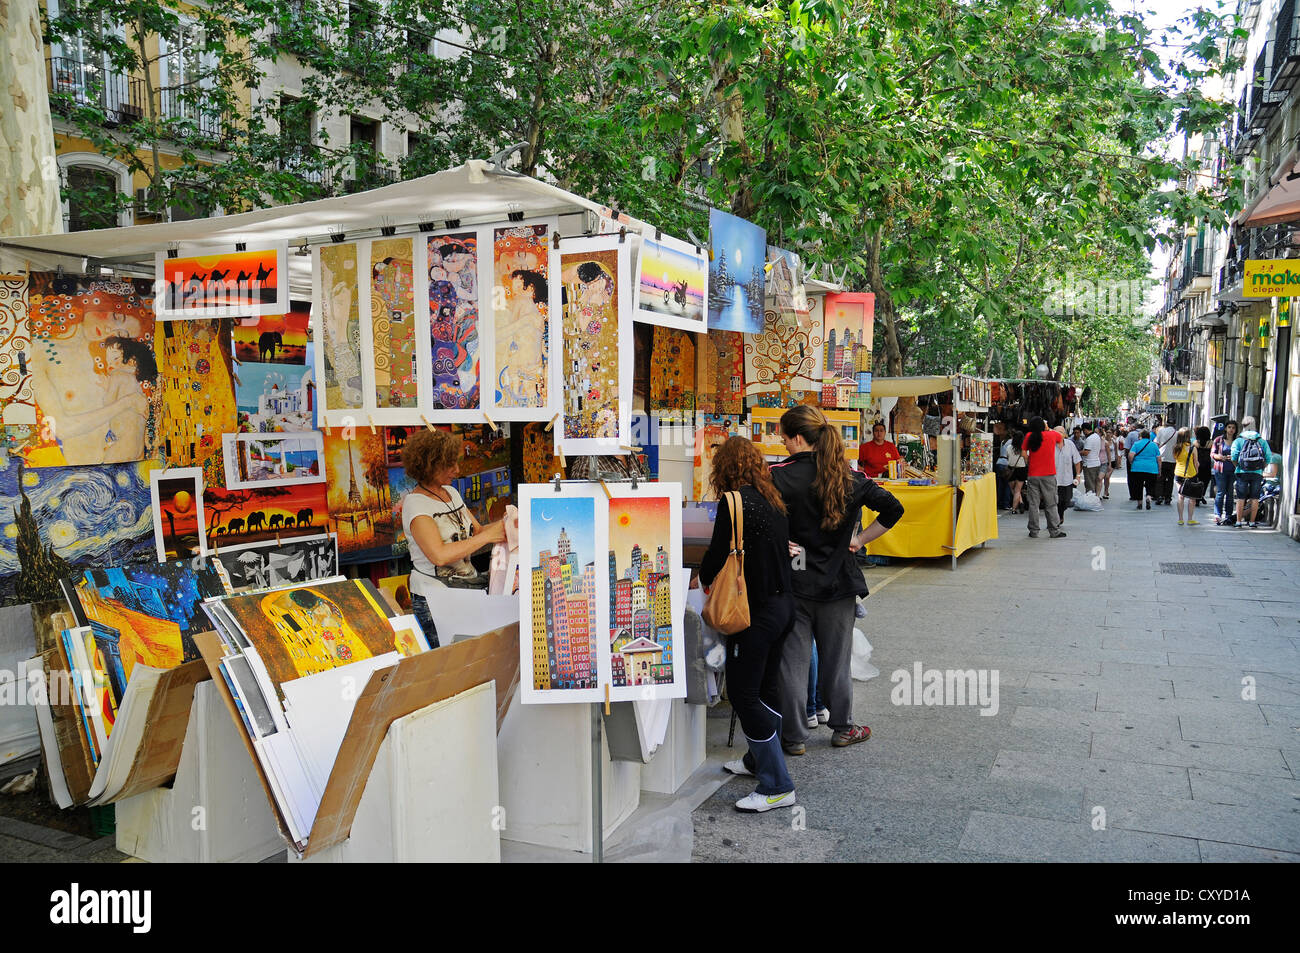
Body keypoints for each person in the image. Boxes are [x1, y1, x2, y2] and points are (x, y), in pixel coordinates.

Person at [771, 405, 903, 754]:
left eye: (784, 438)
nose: (782, 444)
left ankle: (793, 736)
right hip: (837, 581)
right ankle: (843, 728)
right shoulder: (849, 478)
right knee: (836, 661)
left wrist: (775, 540)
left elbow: (752, 512)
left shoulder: (777, 476)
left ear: (798, 438)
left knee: (793, 663)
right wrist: (860, 540)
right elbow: (894, 508)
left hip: (795, 578)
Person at [699, 437, 798, 813]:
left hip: (753, 612)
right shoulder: (772, 498)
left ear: (724, 467)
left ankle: (777, 784)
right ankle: (757, 762)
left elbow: (716, 554)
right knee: (765, 689)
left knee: (742, 694)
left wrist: (701, 579)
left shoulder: (733, 502)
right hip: (782, 606)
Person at [400, 428, 508, 645]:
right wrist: (489, 537)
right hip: (436, 599)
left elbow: (476, 532)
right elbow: (438, 556)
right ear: (431, 465)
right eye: (450, 465)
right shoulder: (415, 504)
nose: (457, 470)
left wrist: (508, 525)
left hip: (465, 592)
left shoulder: (452, 493)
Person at [1020, 417, 1066, 538]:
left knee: (1033, 504)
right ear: (1043, 426)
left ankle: (1034, 531)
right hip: (1048, 474)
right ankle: (1054, 530)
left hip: (1033, 474)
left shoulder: (1029, 436)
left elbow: (1023, 452)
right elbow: (1061, 437)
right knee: (1050, 503)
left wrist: (1029, 461)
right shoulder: (1051, 435)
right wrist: (1048, 428)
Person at [1231, 416, 1269, 528]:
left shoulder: (1238, 440)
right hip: (1257, 472)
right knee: (1255, 498)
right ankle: (1252, 522)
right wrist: (1261, 467)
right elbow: (1268, 457)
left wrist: (1238, 466)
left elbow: (1233, 457)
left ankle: (1238, 521)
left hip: (1242, 472)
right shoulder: (1261, 441)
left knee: (1240, 497)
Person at [1211, 419, 1238, 526]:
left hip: (1233, 470)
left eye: (1233, 428)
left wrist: (1234, 457)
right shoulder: (1218, 440)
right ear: (1226, 428)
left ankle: (1228, 515)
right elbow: (1212, 454)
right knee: (1220, 492)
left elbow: (1241, 454)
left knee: (1230, 493)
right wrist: (1220, 457)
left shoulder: (1237, 441)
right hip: (1220, 469)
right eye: (1229, 427)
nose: (1231, 430)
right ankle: (1217, 514)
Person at [1053, 425, 1081, 525]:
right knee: (1055, 501)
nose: (1059, 434)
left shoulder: (1070, 444)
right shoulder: (1050, 444)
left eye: (1061, 432)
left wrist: (1078, 475)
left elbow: (1077, 460)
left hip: (1067, 479)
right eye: (1056, 432)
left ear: (1065, 434)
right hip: (1053, 479)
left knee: (1066, 501)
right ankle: (1056, 519)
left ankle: (1061, 514)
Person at [1172, 427, 1200, 526]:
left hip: (1179, 473)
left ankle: (1180, 519)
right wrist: (1197, 472)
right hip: (1191, 474)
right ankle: (1190, 519)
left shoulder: (1176, 447)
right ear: (1188, 436)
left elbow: (1176, 459)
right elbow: (1196, 463)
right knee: (1192, 498)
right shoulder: (1193, 448)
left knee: (1181, 496)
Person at [1127, 428, 1160, 509]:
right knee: (1150, 485)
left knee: (1138, 486)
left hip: (1138, 468)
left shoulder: (1136, 444)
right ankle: (1148, 497)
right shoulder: (1154, 445)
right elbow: (1159, 459)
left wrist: (1131, 462)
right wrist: (1159, 470)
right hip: (1152, 468)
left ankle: (1140, 503)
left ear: (1140, 436)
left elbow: (1131, 456)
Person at [1153, 417, 1178, 505]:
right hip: (1173, 459)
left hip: (1161, 458)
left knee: (1160, 478)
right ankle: (1168, 497)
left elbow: (1156, 444)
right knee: (1170, 479)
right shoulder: (1177, 433)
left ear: (1166, 424)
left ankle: (1159, 496)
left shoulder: (1161, 431)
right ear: (1174, 424)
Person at [1005, 430, 1028, 513]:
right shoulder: (1024, 448)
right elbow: (1026, 459)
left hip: (1011, 469)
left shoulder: (1009, 448)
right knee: (1018, 490)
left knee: (1013, 489)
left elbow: (1007, 457)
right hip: (1022, 469)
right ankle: (1016, 507)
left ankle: (1017, 506)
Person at [1080, 422, 1102, 496]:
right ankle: (1094, 499)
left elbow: (1086, 452)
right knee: (1095, 483)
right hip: (1096, 463)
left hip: (1089, 465)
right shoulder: (1096, 436)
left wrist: (1078, 452)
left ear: (1085, 430)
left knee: (1089, 485)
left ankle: (1090, 500)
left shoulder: (1089, 439)